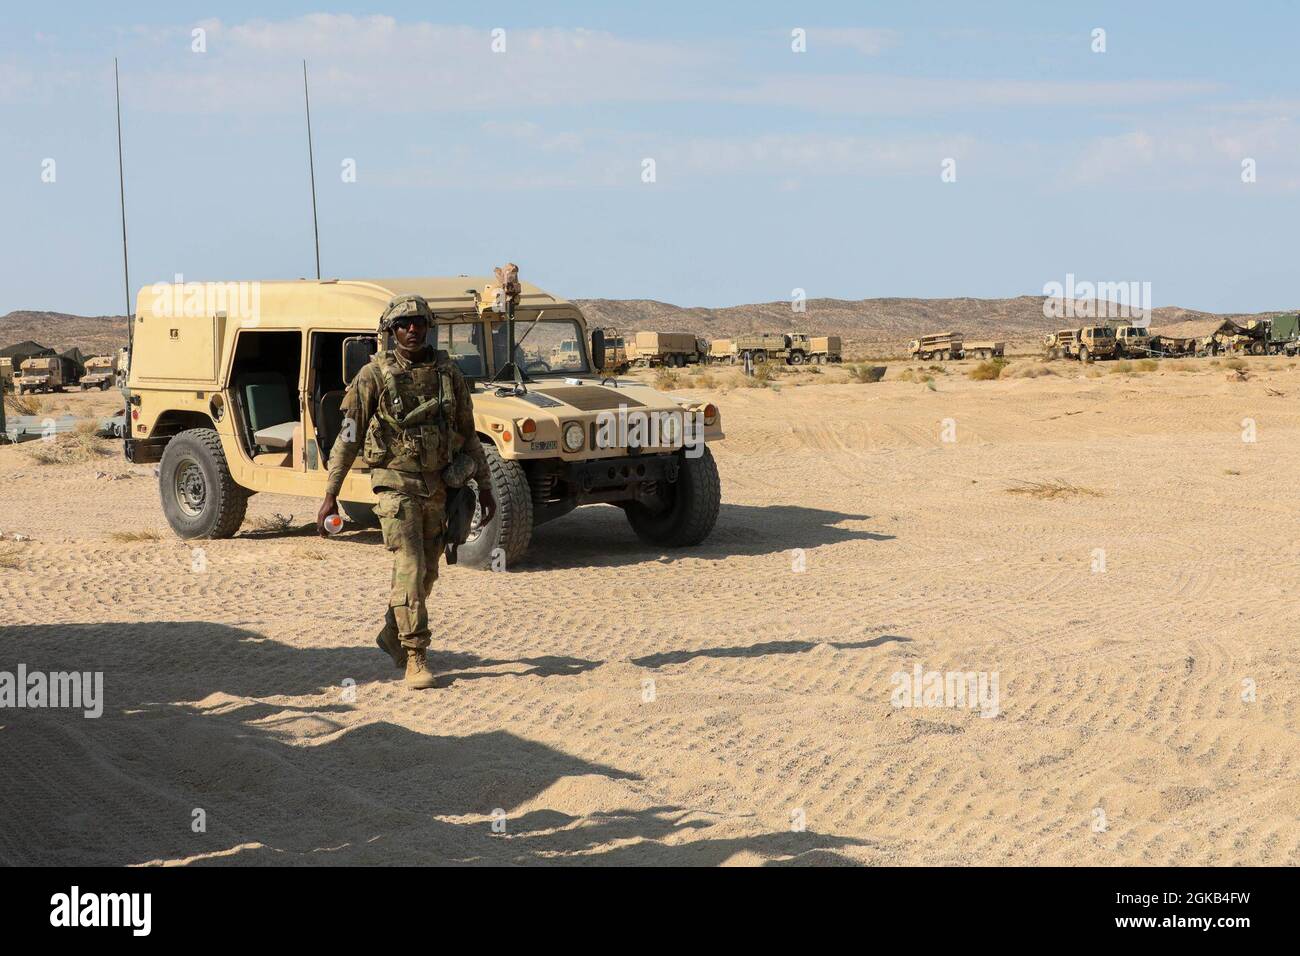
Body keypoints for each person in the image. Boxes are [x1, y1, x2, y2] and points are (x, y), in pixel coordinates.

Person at [317, 294, 496, 689]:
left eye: (418, 323)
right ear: (390, 331)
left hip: (439, 485)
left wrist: (485, 486)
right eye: (403, 324)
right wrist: (331, 492)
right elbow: (348, 438)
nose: (411, 329)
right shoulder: (372, 376)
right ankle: (415, 656)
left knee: (429, 572)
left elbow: (468, 435)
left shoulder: (448, 373)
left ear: (428, 327)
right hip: (394, 485)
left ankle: (389, 633)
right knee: (411, 566)